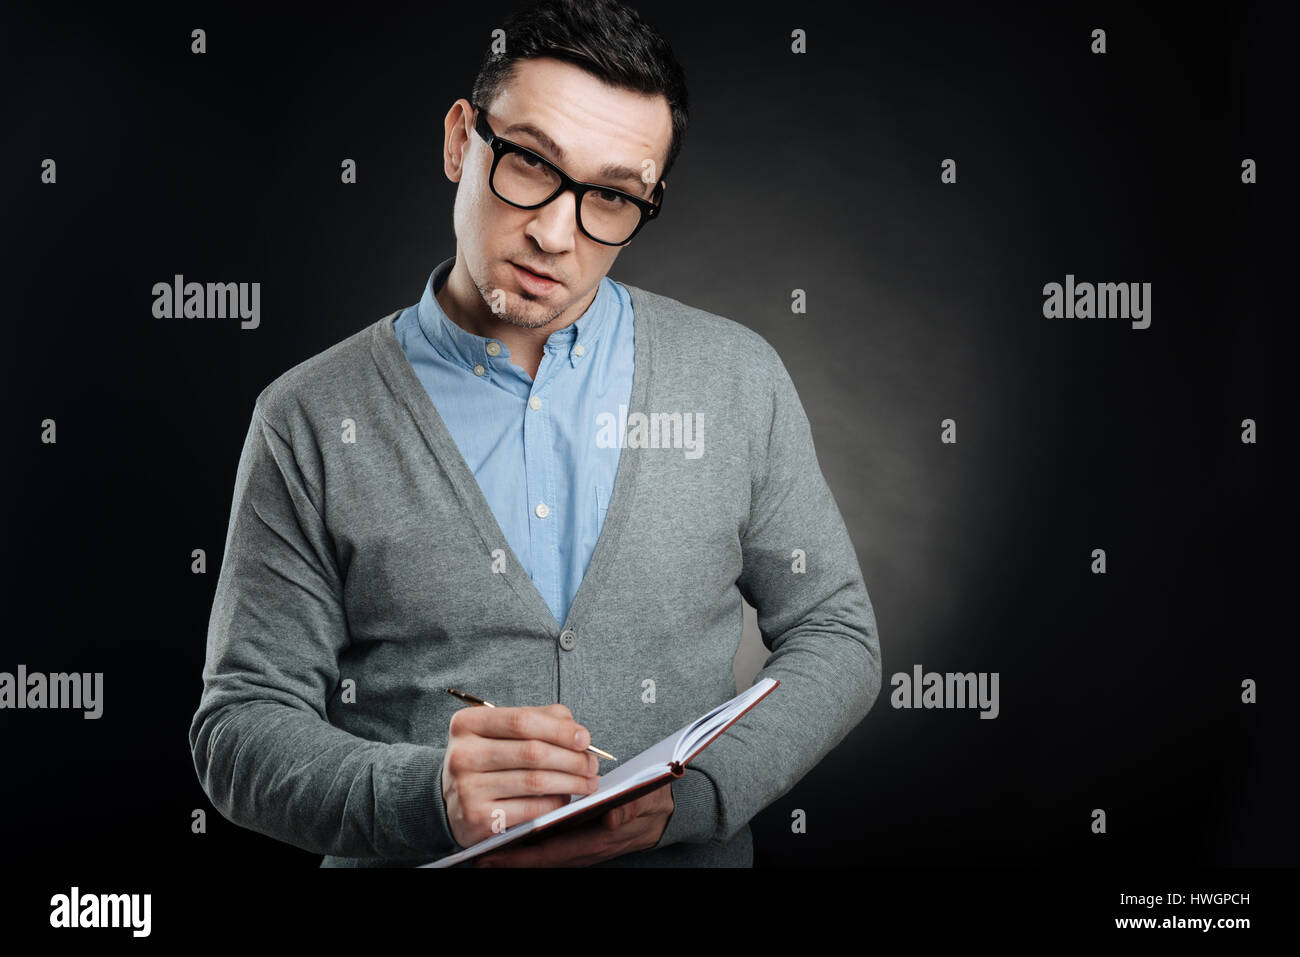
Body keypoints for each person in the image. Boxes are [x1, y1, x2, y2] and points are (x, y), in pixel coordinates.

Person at [189, 0, 881, 868]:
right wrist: (427, 796)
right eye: (528, 163)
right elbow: (239, 729)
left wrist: (695, 794)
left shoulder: (737, 379)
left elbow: (837, 635)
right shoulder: (309, 416)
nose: (556, 233)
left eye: (614, 197)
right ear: (459, 141)